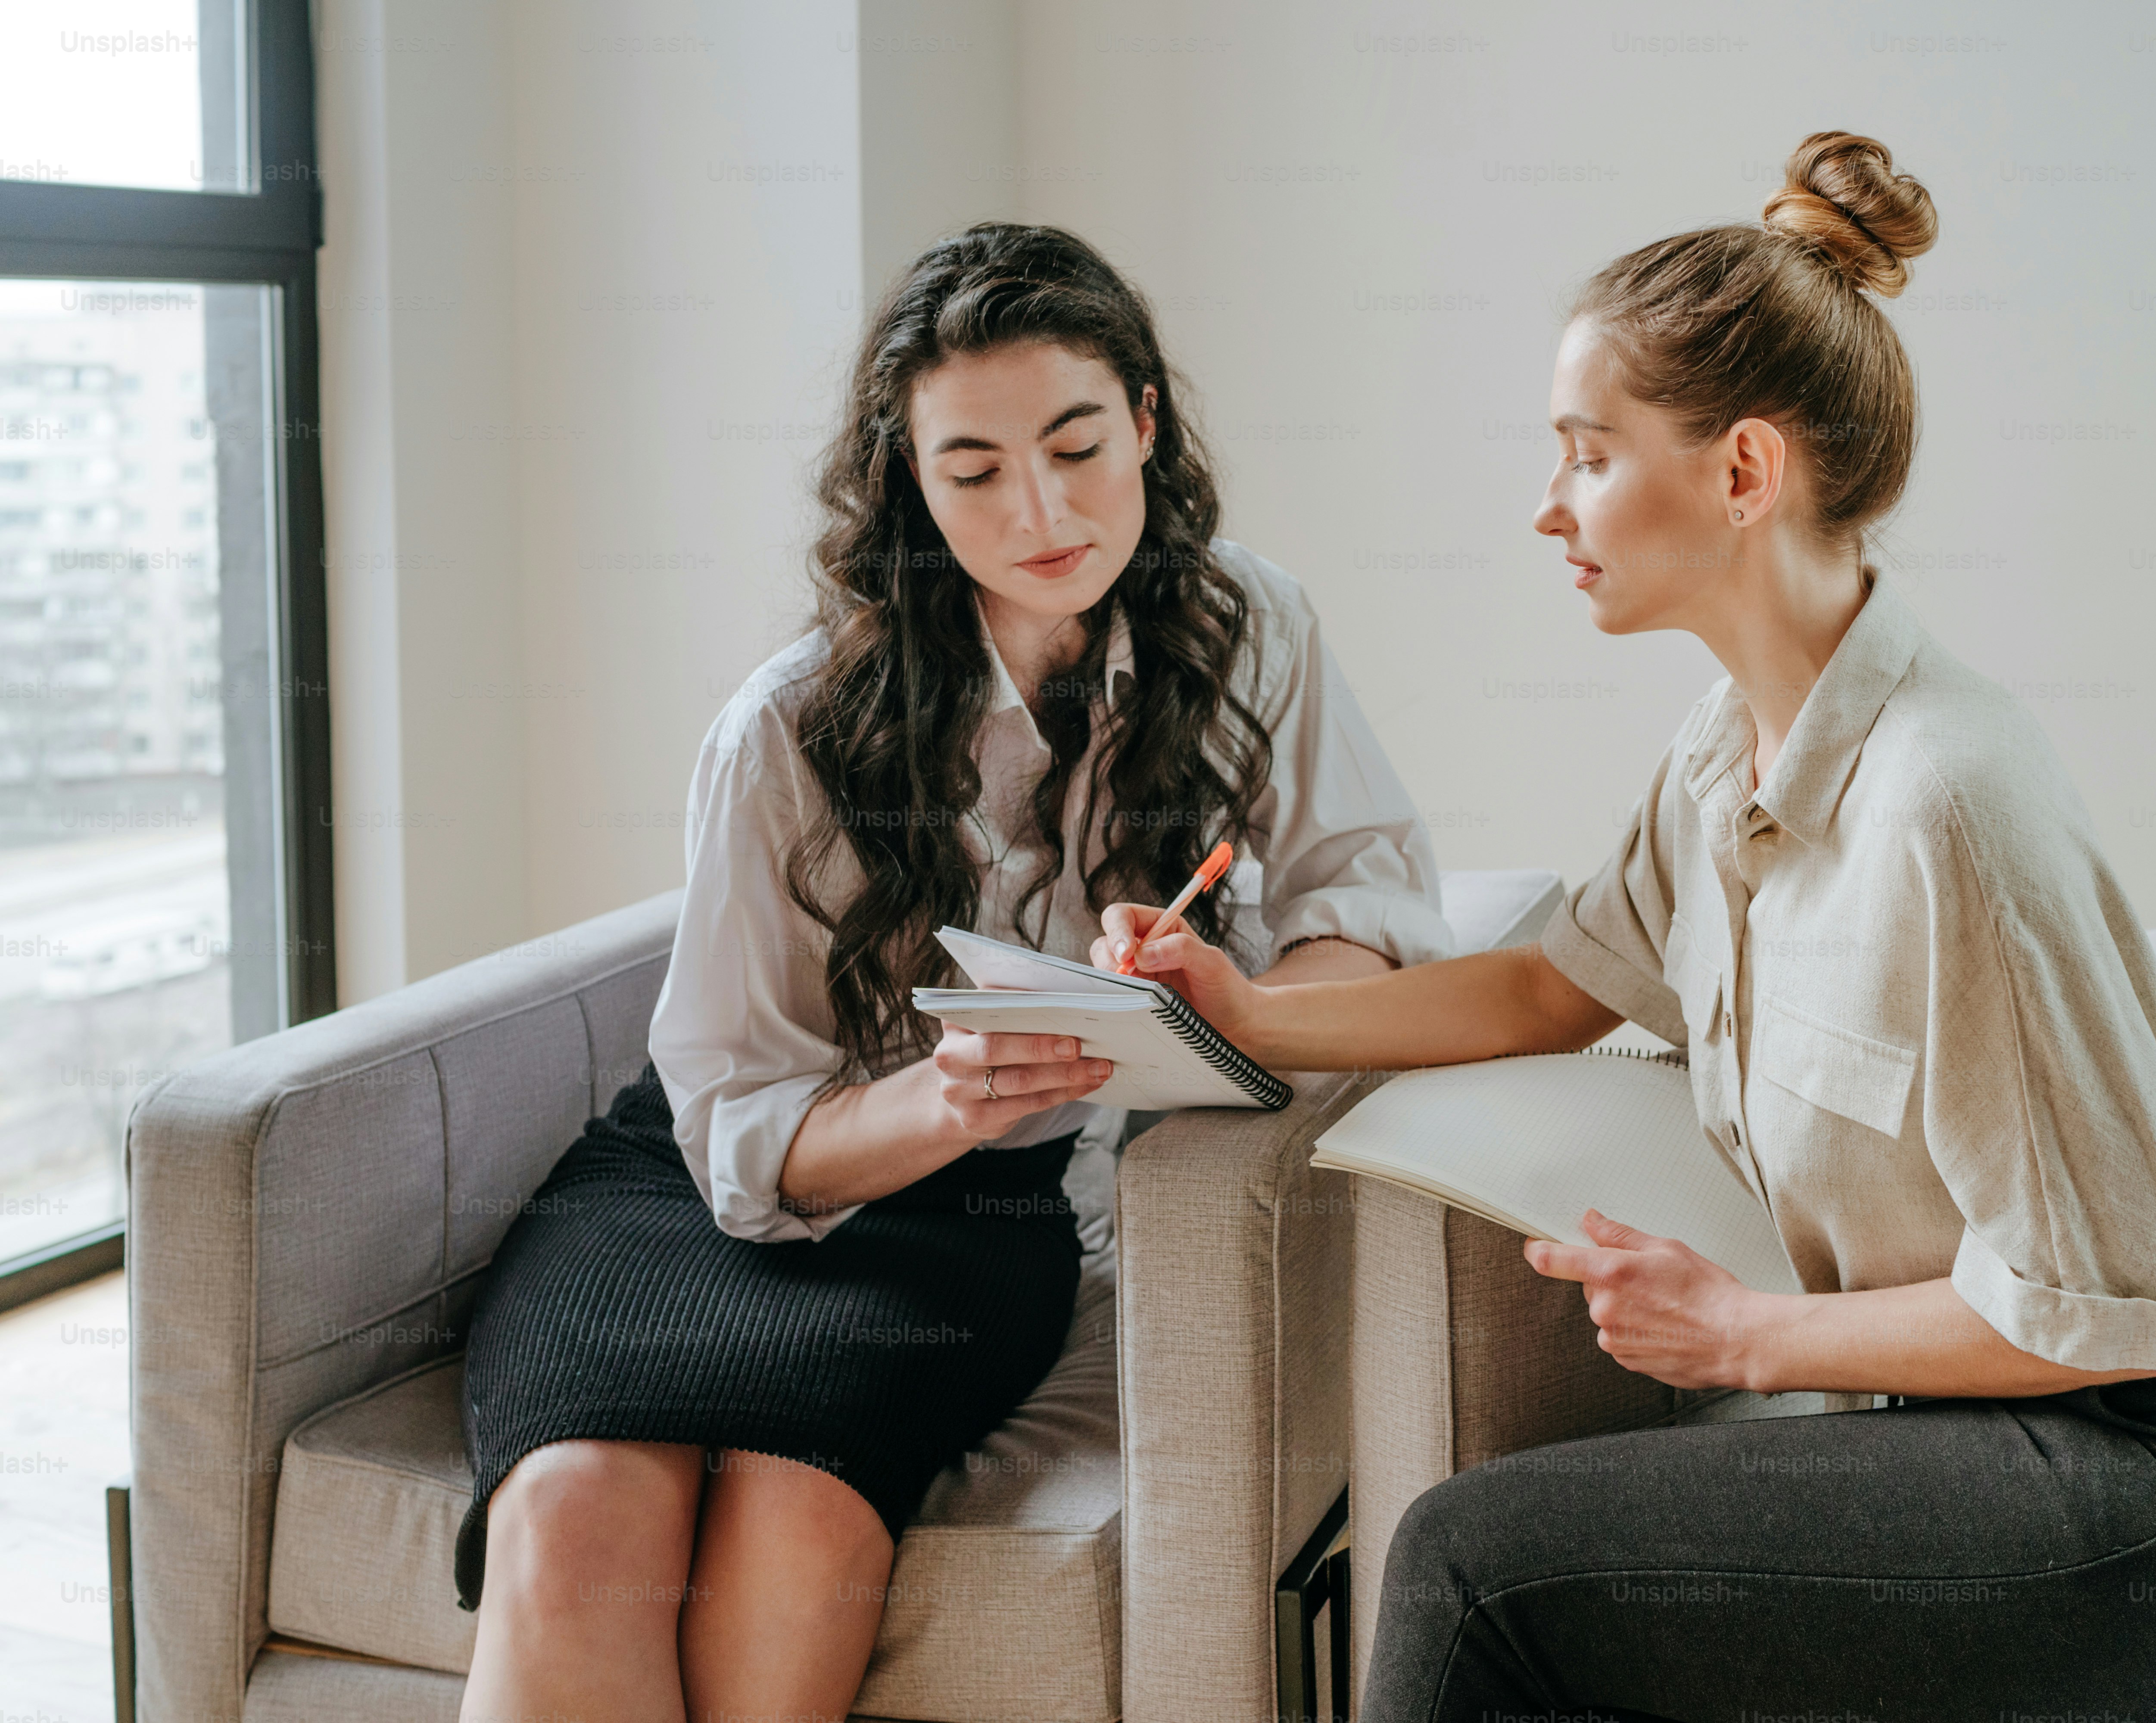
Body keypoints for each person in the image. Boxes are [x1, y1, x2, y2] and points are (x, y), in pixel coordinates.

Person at [1093, 133, 2156, 1721]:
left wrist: (1747, 1334)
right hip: (2048, 1425)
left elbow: (2117, 1309)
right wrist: (1245, 1011)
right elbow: (1545, 985)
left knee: (1471, 1568)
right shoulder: (1728, 754)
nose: (1546, 506)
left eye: (1587, 451)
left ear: (1741, 473)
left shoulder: (1949, 802)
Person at [452, 222, 1453, 1723]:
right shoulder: (787, 730)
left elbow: (1365, 893)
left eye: (1077, 445)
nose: (1040, 511)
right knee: (575, 1511)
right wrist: (942, 1097)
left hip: (973, 1228)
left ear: (1148, 425)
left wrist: (1235, 994)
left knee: (795, 1518)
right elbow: (733, 1122)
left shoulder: (1253, 625)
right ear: (912, 486)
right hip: (690, 1190)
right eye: (973, 472)